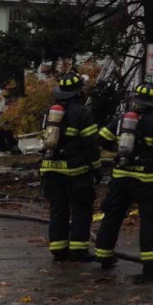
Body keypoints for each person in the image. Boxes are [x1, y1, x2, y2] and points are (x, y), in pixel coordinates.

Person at [95, 82, 153, 275]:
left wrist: (117, 149)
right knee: (149, 219)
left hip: (120, 177)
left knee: (112, 215)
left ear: (135, 100)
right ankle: (151, 263)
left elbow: (101, 138)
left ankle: (104, 255)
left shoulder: (121, 120)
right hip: (144, 180)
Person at [39, 71, 101, 262]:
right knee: (81, 208)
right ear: (78, 92)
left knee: (58, 209)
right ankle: (78, 250)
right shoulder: (82, 112)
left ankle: (58, 249)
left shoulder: (50, 112)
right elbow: (91, 143)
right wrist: (97, 168)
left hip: (50, 168)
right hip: (75, 171)